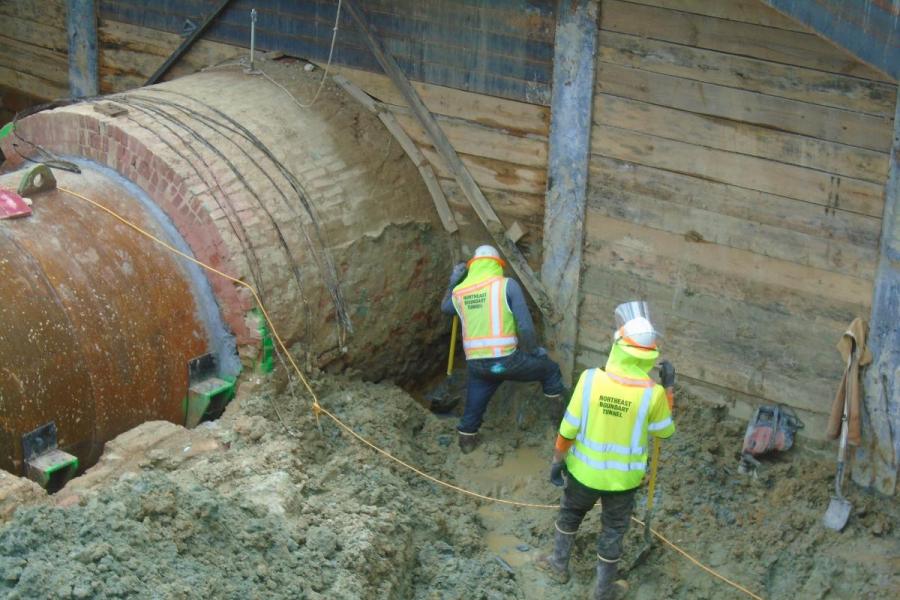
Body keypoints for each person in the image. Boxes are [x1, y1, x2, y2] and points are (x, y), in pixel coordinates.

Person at [536, 301, 676, 599]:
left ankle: (558, 565)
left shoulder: (590, 380)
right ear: (649, 355)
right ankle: (604, 591)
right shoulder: (653, 394)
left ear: (618, 347)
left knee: (570, 515)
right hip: (623, 483)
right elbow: (665, 431)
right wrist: (669, 390)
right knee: (613, 531)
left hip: (583, 474)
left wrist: (557, 461)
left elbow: (568, 429)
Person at [441, 245, 566, 454]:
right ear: (497, 265)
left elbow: (445, 308)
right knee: (550, 370)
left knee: (474, 406)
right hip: (507, 362)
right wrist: (534, 351)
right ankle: (558, 425)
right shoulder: (506, 285)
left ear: (473, 267)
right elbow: (525, 327)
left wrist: (454, 281)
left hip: (478, 366)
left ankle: (467, 441)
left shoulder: (460, 293)